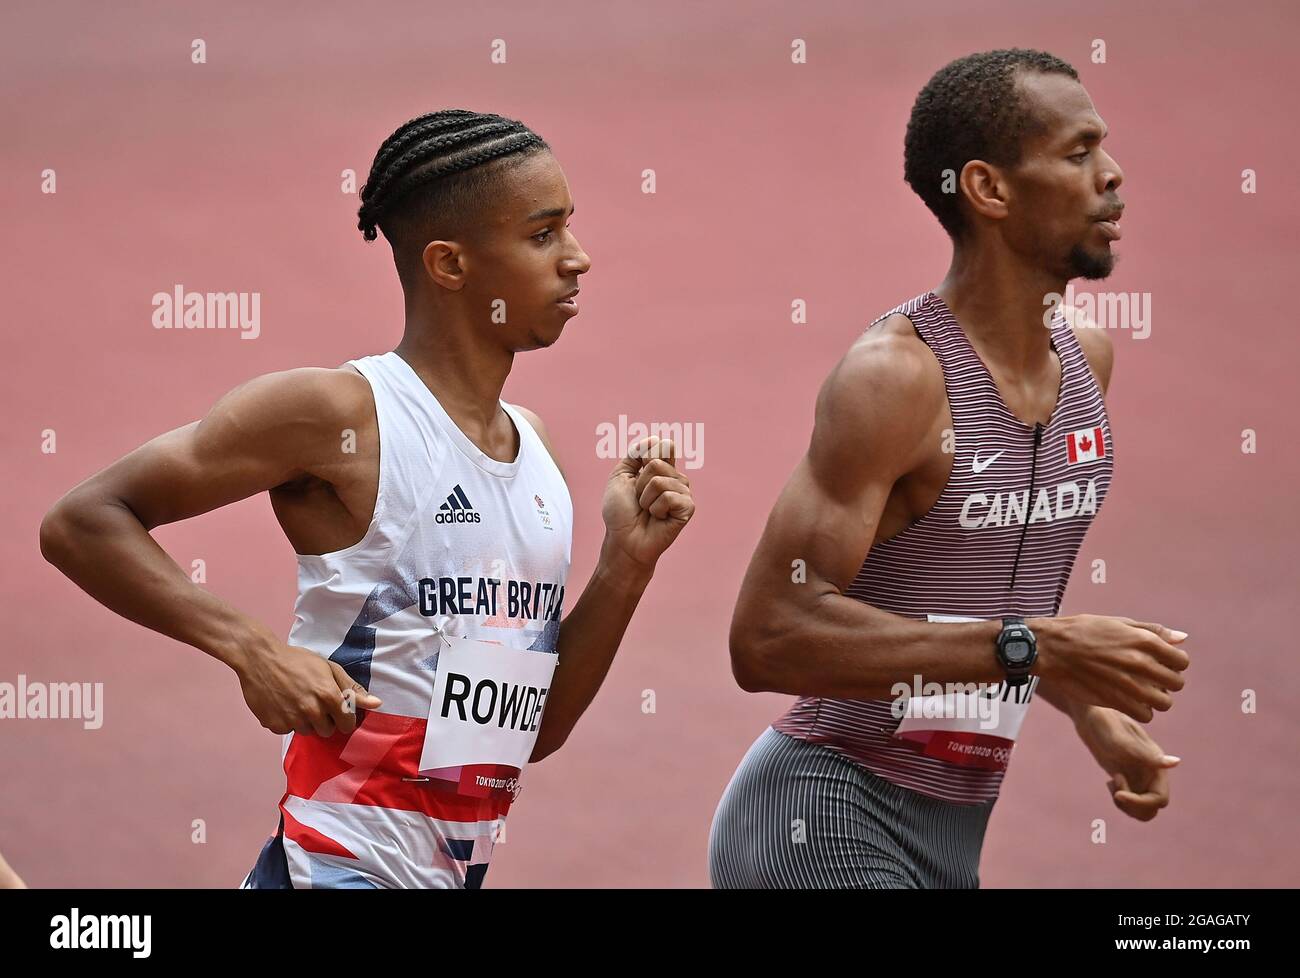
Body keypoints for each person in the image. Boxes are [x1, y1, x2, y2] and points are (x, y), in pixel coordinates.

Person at [40, 109, 695, 889]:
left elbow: (523, 738)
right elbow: (83, 521)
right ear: (450, 264)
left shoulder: (536, 454)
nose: (578, 259)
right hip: (332, 871)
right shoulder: (338, 415)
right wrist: (251, 649)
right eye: (543, 234)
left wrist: (626, 565)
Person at [709, 50, 1187, 889]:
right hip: (819, 817)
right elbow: (767, 637)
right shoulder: (897, 380)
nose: (1112, 176)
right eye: (1077, 154)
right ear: (988, 189)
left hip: (950, 839)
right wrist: (1039, 647)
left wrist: (1083, 700)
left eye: (1102, 150)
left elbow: (974, 598)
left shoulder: (1088, 363)